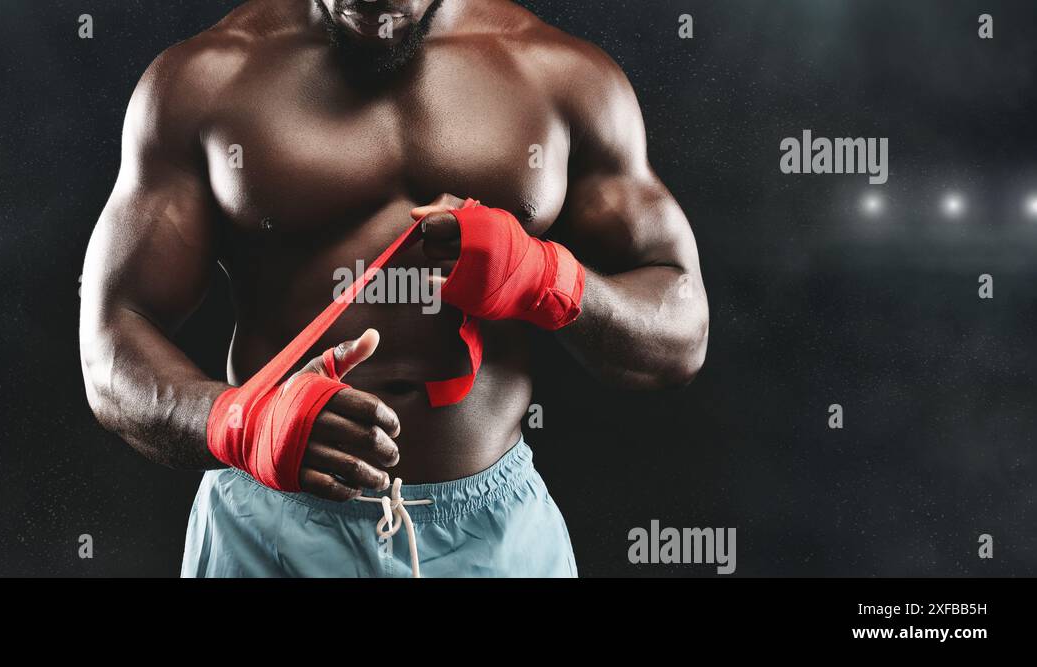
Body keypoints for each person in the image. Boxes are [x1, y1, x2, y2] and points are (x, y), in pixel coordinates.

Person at [79, 0, 708, 577]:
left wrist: (546, 279)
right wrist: (240, 425)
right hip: (269, 535)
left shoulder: (560, 78)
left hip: (494, 540)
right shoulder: (206, 79)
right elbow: (111, 341)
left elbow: (680, 331)